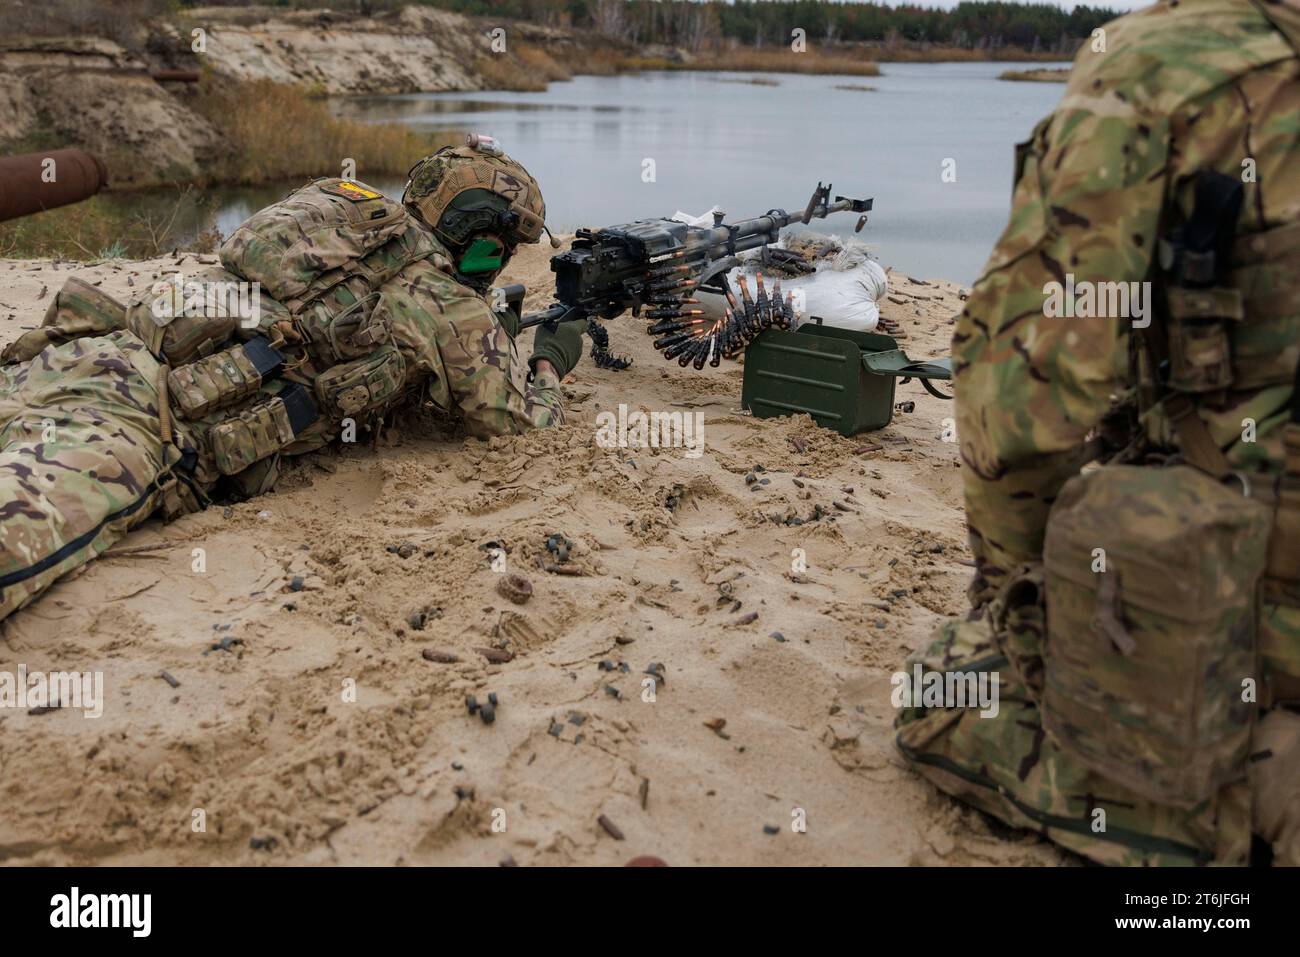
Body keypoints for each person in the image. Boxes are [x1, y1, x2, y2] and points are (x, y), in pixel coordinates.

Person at [895, 0, 1300, 865]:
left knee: (942, 686)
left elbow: (1017, 405)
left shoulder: (1160, 65)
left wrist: (1027, 619)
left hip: (1234, 621)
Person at [0, 138, 586, 621]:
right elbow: (521, 422)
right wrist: (547, 361)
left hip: (83, 350)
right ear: (479, 238)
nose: (496, 267)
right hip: (142, 428)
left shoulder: (335, 216)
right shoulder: (453, 308)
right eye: (499, 252)